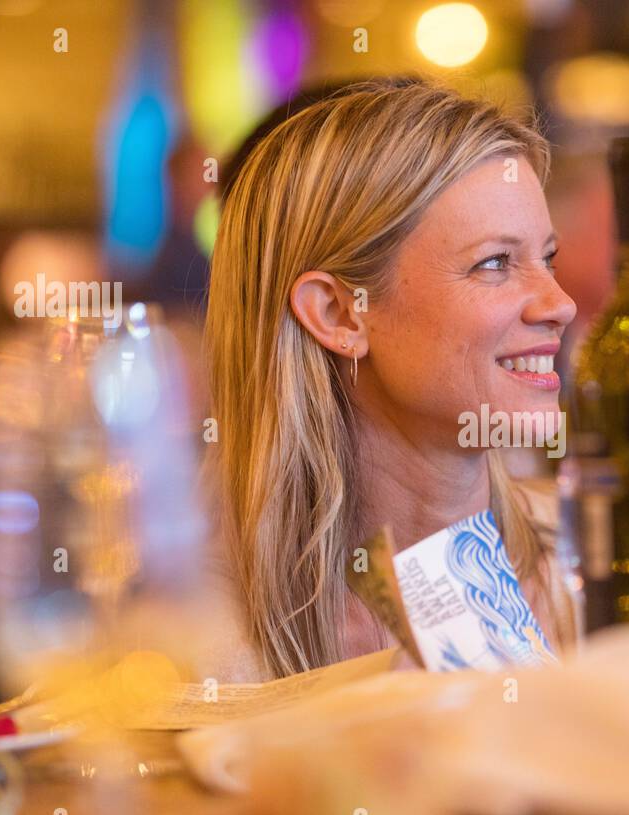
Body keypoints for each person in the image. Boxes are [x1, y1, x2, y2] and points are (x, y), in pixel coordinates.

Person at [203, 78, 579, 678]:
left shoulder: (597, 572)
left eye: (547, 258)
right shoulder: (205, 648)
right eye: (495, 264)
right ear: (338, 314)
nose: (559, 303)